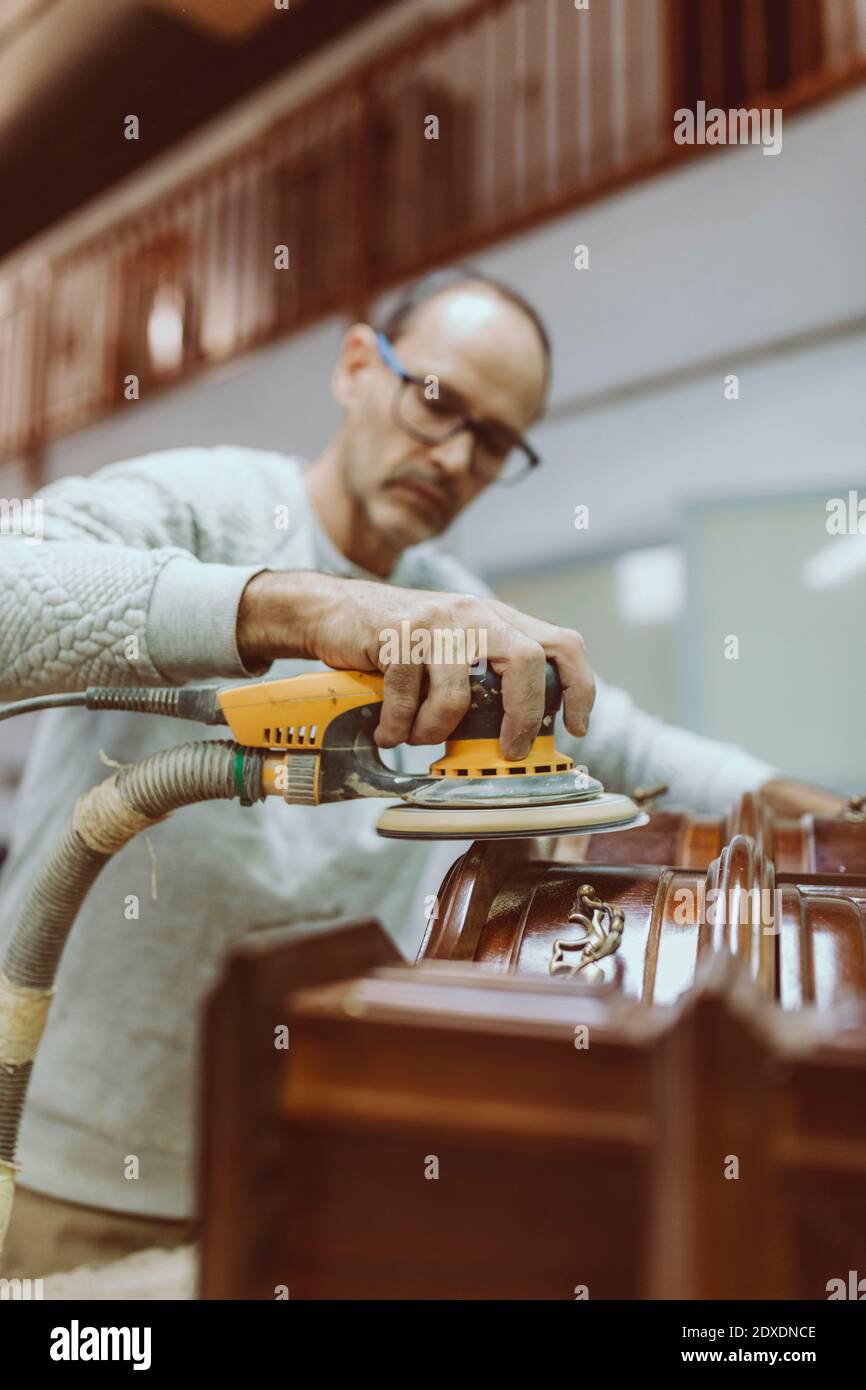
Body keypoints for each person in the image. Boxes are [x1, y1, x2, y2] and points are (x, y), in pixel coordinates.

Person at [0, 265, 840, 1277]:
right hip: (72, 1171)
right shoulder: (197, 503)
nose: (452, 456)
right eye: (437, 401)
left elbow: (636, 747)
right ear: (358, 365)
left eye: (493, 442)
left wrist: (833, 822)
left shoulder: (456, 603)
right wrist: (309, 608)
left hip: (308, 1149)